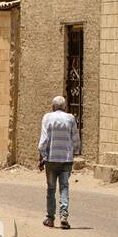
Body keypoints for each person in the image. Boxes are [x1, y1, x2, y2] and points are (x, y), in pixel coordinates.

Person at [38, 95, 81, 229]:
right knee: (64, 187)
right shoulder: (70, 118)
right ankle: (64, 216)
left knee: (51, 189)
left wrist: (42, 155)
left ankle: (50, 218)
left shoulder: (47, 118)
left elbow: (44, 139)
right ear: (65, 107)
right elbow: (75, 138)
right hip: (66, 159)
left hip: (51, 159)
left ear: (52, 107)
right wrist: (75, 151)